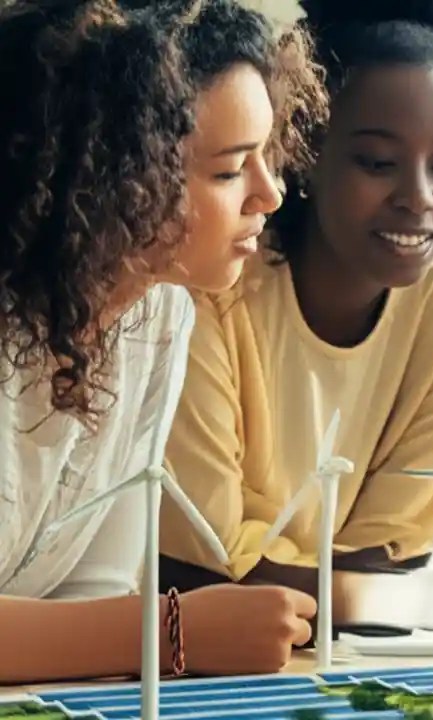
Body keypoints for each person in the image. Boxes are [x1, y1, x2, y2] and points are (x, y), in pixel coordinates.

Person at [0, 0, 326, 683]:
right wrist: (172, 630)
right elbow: (118, 627)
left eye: (267, 157)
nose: (270, 195)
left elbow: (94, 588)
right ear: (113, 179)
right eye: (230, 169)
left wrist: (150, 633)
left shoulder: (159, 317)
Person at [158, 0, 433, 626]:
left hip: (325, 654)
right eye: (377, 163)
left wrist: (356, 591)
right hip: (182, 654)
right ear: (304, 154)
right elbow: (199, 560)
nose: (420, 198)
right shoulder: (209, 285)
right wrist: (356, 595)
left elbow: (397, 549)